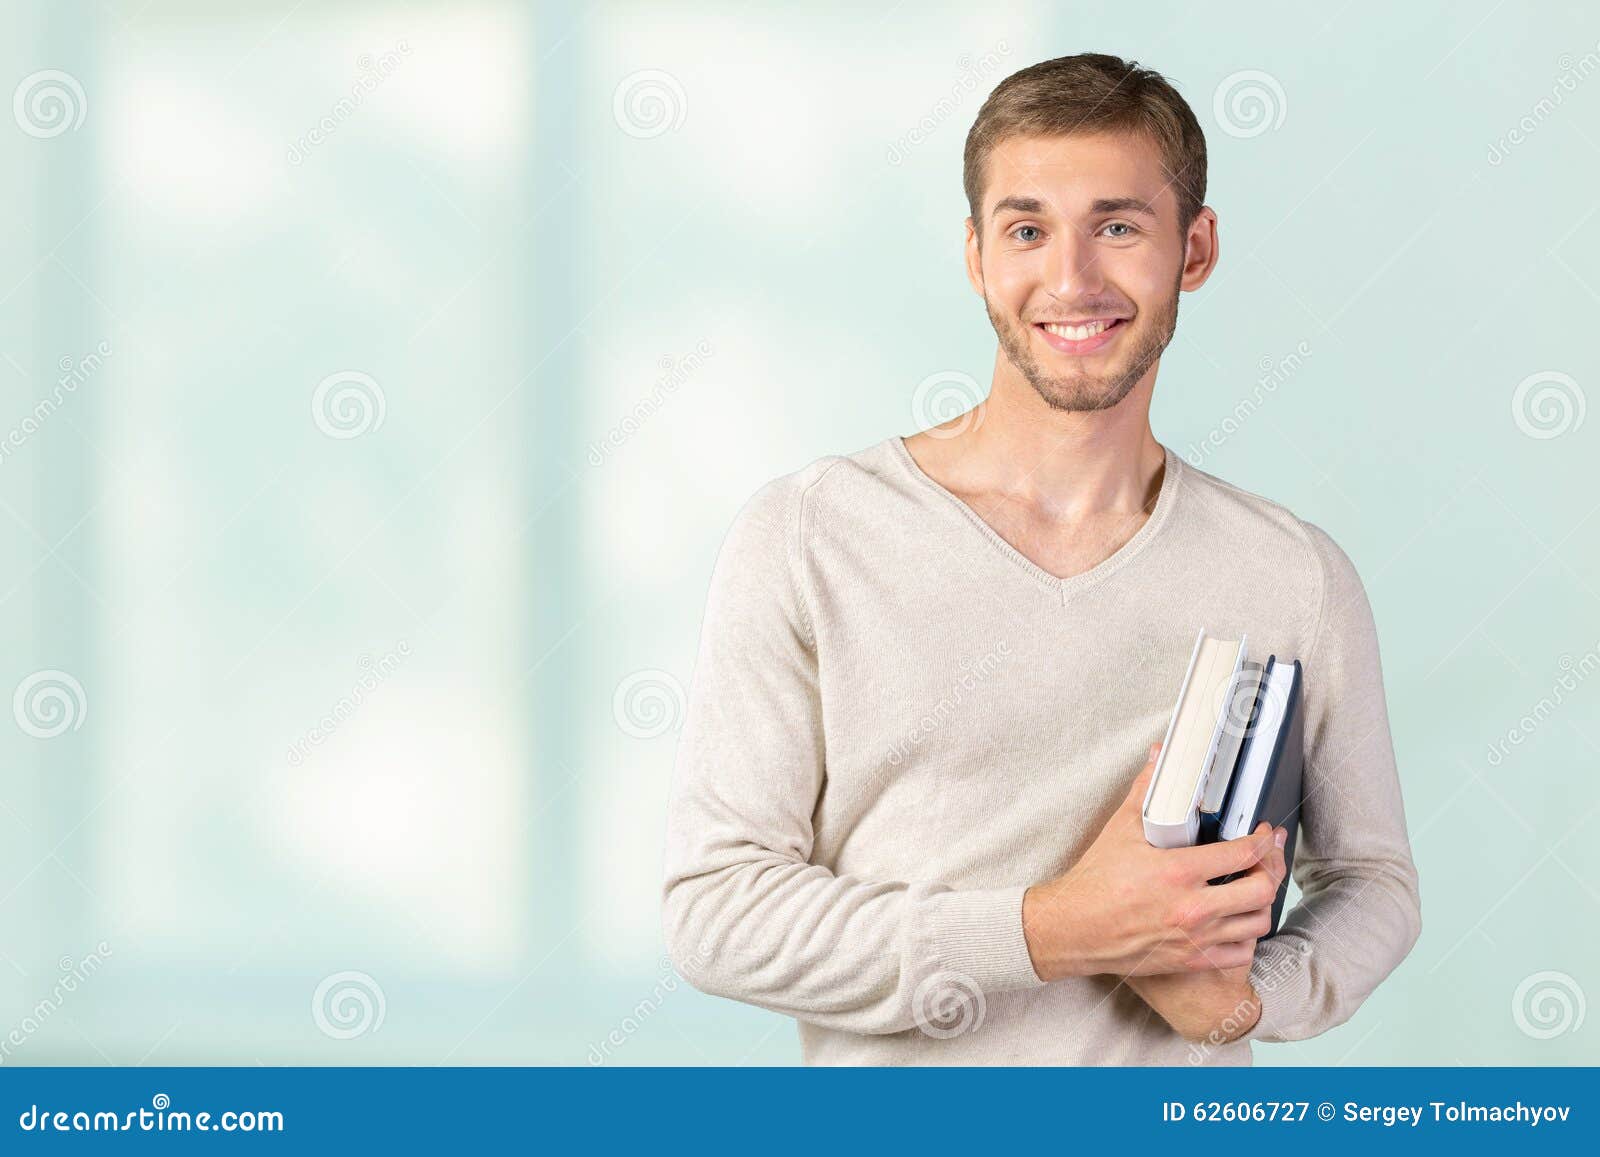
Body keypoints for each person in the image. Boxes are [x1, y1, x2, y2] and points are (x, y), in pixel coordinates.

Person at [661, 52, 1421, 1065]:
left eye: (1117, 225)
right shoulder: (811, 536)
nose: (1070, 280)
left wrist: (1245, 1001)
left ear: (1194, 249)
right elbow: (718, 913)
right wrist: (1061, 926)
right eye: (1027, 230)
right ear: (977, 255)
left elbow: (1373, 883)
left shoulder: (1292, 574)